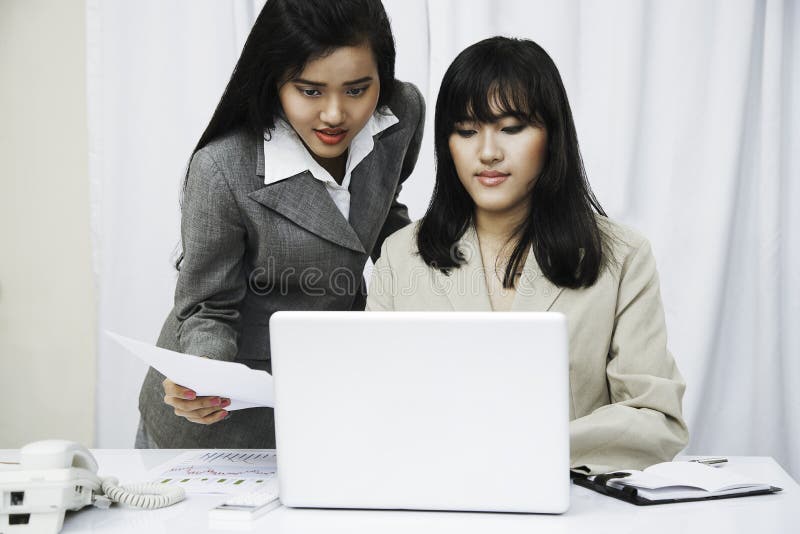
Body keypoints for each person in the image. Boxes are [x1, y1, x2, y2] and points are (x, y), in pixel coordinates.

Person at [367, 36, 688, 474]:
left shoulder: (623, 257)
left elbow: (657, 421)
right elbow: (371, 408)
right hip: (440, 501)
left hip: (575, 507)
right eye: (466, 131)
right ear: (447, 144)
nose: (488, 152)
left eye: (512, 128)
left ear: (551, 136)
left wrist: (529, 446)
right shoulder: (401, 256)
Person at [136, 0, 425, 449]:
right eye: (310, 90)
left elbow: (380, 209)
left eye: (356, 89)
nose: (334, 114)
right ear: (275, 80)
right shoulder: (223, 168)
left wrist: (444, 259)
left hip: (329, 396)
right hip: (221, 417)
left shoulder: (401, 115)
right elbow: (208, 309)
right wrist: (203, 375)